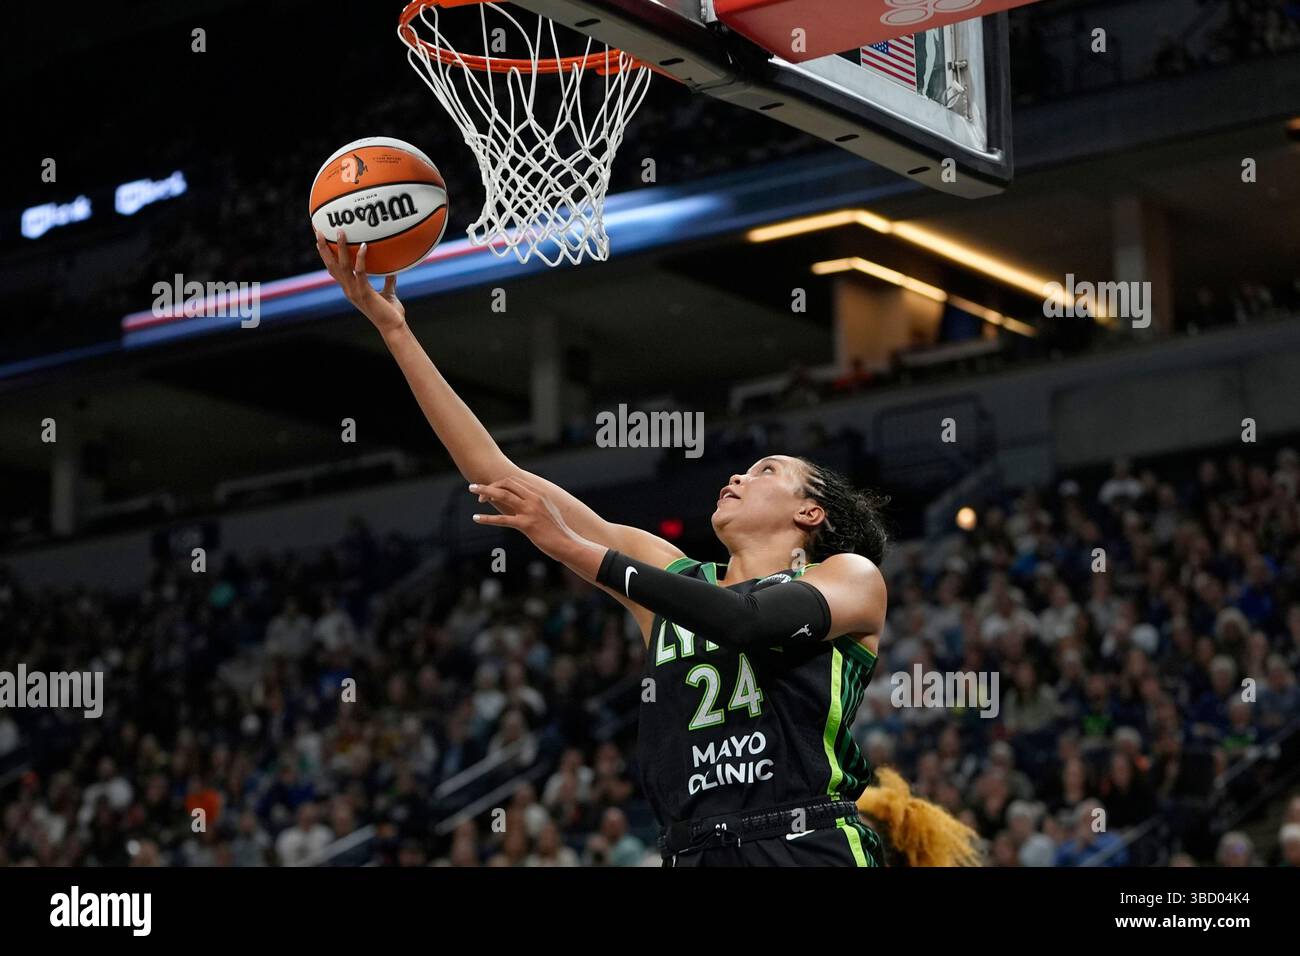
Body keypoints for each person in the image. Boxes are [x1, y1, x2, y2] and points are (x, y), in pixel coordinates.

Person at [316, 230, 980, 867]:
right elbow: (498, 475)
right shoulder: (670, 572)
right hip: (690, 850)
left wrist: (576, 551)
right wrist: (394, 330)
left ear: (812, 512)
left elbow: (743, 621)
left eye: (766, 470)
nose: (737, 476)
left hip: (802, 844)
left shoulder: (853, 579)